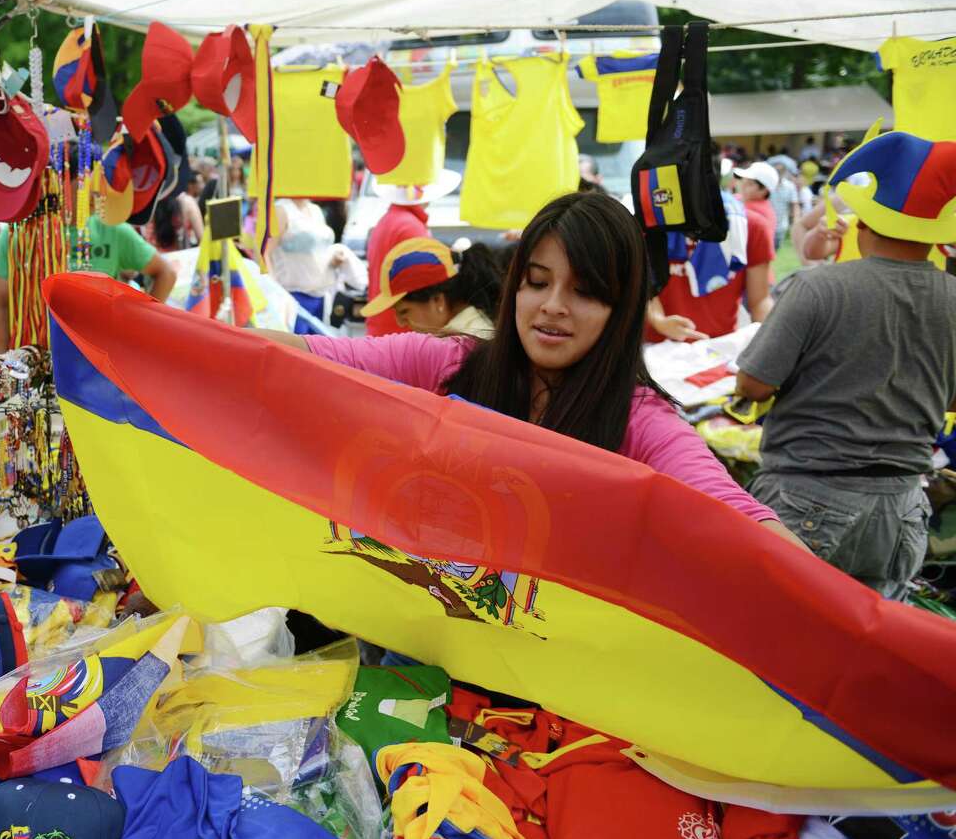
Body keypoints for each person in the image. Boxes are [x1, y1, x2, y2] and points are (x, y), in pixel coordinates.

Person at [255, 192, 804, 548]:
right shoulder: (445, 360)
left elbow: (739, 515)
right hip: (422, 649)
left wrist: (837, 602)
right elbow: (304, 356)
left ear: (622, 309)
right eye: (537, 282)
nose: (553, 306)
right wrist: (201, 341)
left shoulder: (641, 421)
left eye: (585, 291)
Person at [736, 130, 956, 599]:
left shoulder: (818, 288)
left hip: (806, 493)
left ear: (864, 224)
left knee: (778, 632)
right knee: (871, 639)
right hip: (901, 504)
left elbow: (753, 384)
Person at [0, 213, 175, 352]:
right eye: (83, 178)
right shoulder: (18, 233)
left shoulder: (111, 228)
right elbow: (0, 303)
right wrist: (1, 366)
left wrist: (138, 332)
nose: (95, 188)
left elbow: (166, 274)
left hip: (98, 364)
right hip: (38, 361)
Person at [646, 175, 773, 342]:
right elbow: (641, 288)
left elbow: (759, 300)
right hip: (657, 347)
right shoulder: (647, 223)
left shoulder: (749, 227)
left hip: (718, 347)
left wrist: (769, 341)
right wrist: (658, 321)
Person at [364, 169, 462, 338]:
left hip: (383, 327)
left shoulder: (388, 220)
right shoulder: (411, 227)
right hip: (402, 332)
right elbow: (425, 285)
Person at [361, 239, 500, 339]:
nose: (400, 323)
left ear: (437, 300)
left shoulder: (458, 346)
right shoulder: (472, 332)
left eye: (404, 311)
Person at [265, 197, 342, 334]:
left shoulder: (315, 209)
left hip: (320, 297)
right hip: (293, 297)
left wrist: (334, 259)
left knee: (317, 345)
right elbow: (264, 252)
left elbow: (317, 250)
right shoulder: (280, 209)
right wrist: (275, 292)